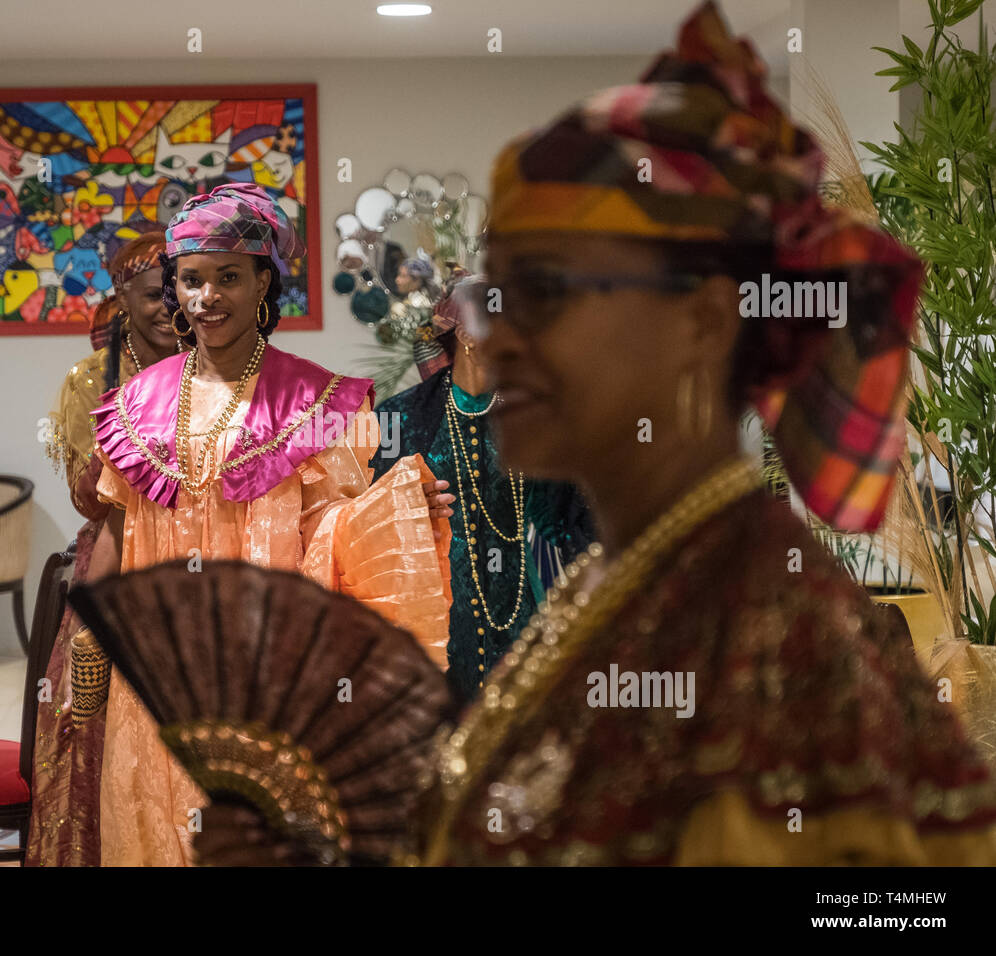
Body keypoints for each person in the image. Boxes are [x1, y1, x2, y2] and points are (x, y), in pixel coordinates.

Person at [419, 0, 996, 864]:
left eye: (545, 292)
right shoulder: (619, 581)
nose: (496, 335)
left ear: (698, 320)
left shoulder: (773, 645)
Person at [79, 182, 454, 865]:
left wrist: (397, 514)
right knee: (153, 827)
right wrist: (86, 644)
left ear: (263, 284)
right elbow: (118, 524)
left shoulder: (316, 399)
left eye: (228, 278)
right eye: (191, 280)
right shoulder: (137, 401)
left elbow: (331, 525)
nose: (207, 298)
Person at [27, 230, 176, 866]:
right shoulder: (90, 379)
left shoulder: (215, 366)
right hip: (118, 561)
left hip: (204, 557)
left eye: (180, 289)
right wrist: (134, 422)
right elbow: (91, 503)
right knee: (99, 731)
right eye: (153, 295)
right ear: (122, 298)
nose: (172, 305)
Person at [371, 280, 594, 705]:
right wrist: (401, 506)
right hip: (433, 625)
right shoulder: (398, 419)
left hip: (520, 616)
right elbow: (358, 522)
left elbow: (568, 519)